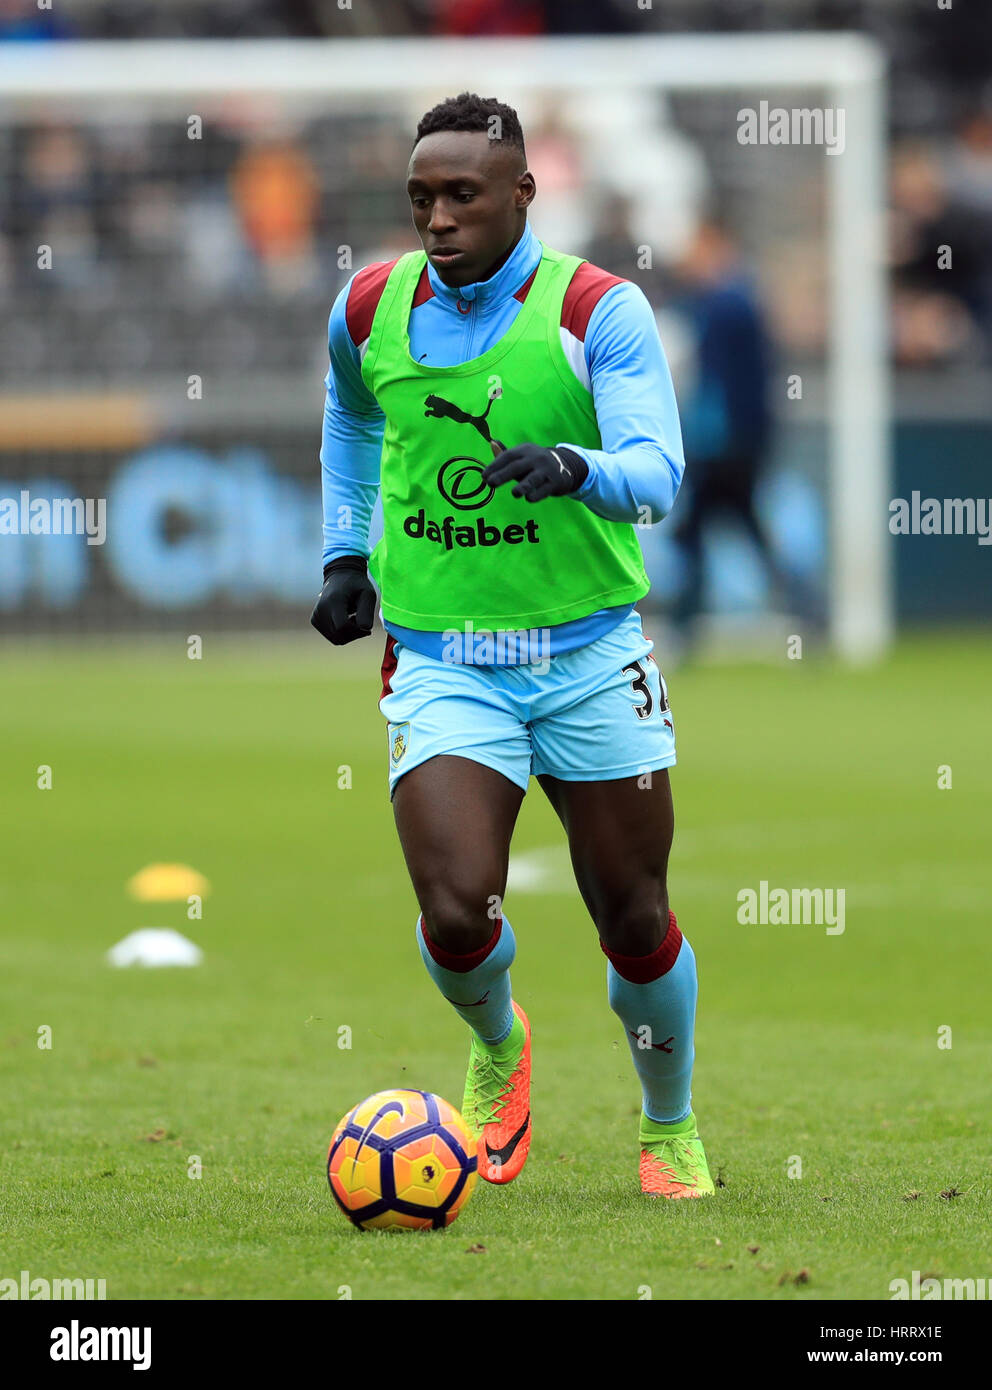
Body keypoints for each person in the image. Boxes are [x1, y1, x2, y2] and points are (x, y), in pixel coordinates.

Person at [311, 92, 713, 1198]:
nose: (435, 219)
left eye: (460, 196)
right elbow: (348, 419)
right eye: (420, 199)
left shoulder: (599, 310)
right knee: (454, 907)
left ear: (522, 195)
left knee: (632, 915)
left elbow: (659, 472)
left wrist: (575, 466)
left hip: (588, 654)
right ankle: (498, 1046)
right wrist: (346, 553)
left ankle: (666, 1123)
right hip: (446, 660)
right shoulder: (365, 309)